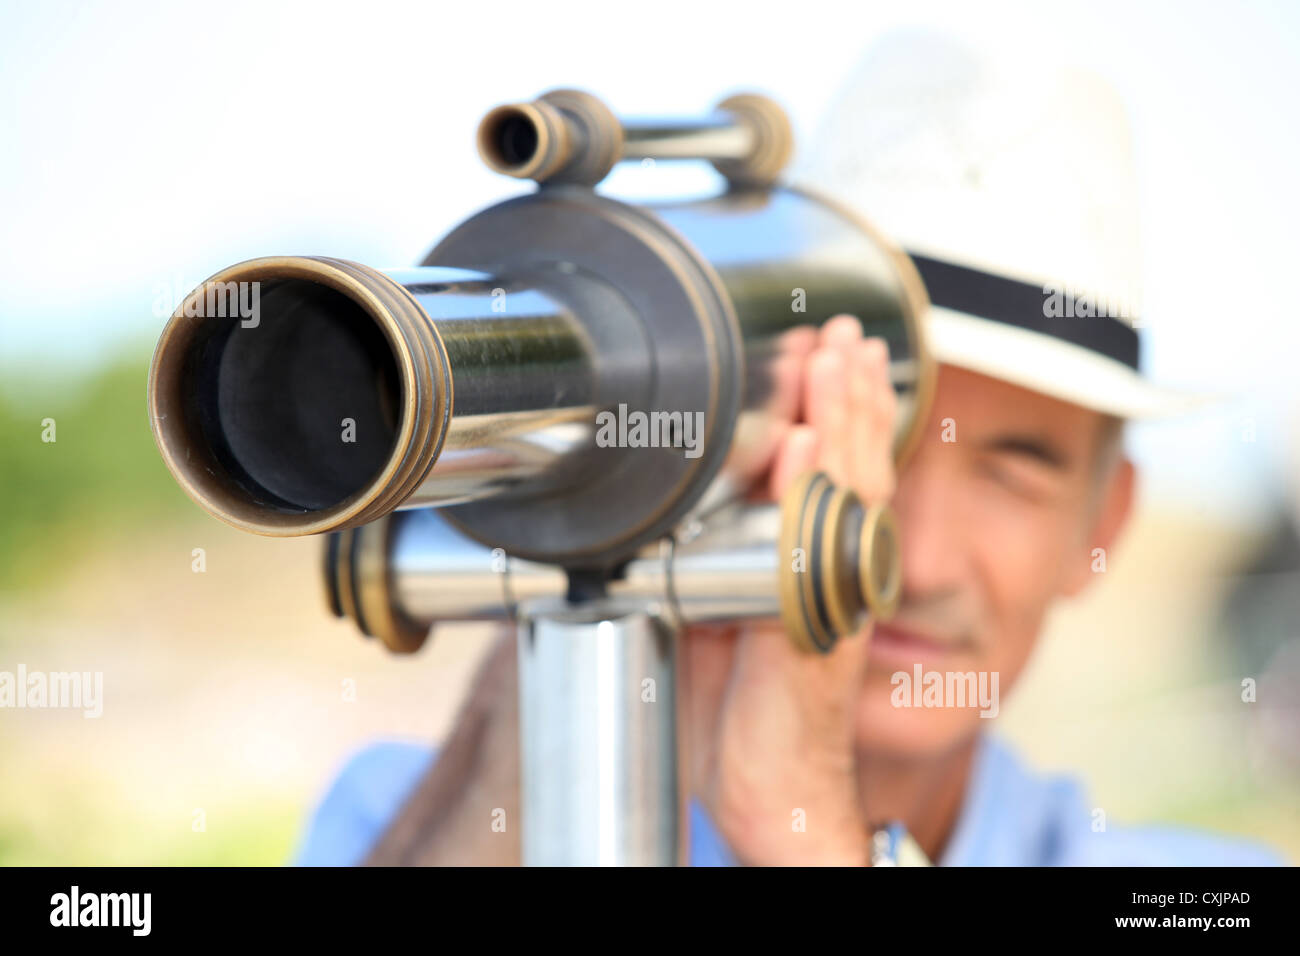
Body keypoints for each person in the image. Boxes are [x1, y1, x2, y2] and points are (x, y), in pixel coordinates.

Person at [296, 33, 1281, 866]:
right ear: (730, 428)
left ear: (1100, 527)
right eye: (863, 434)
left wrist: (802, 821)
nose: (918, 557)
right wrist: (551, 687)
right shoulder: (397, 817)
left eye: (1014, 470)